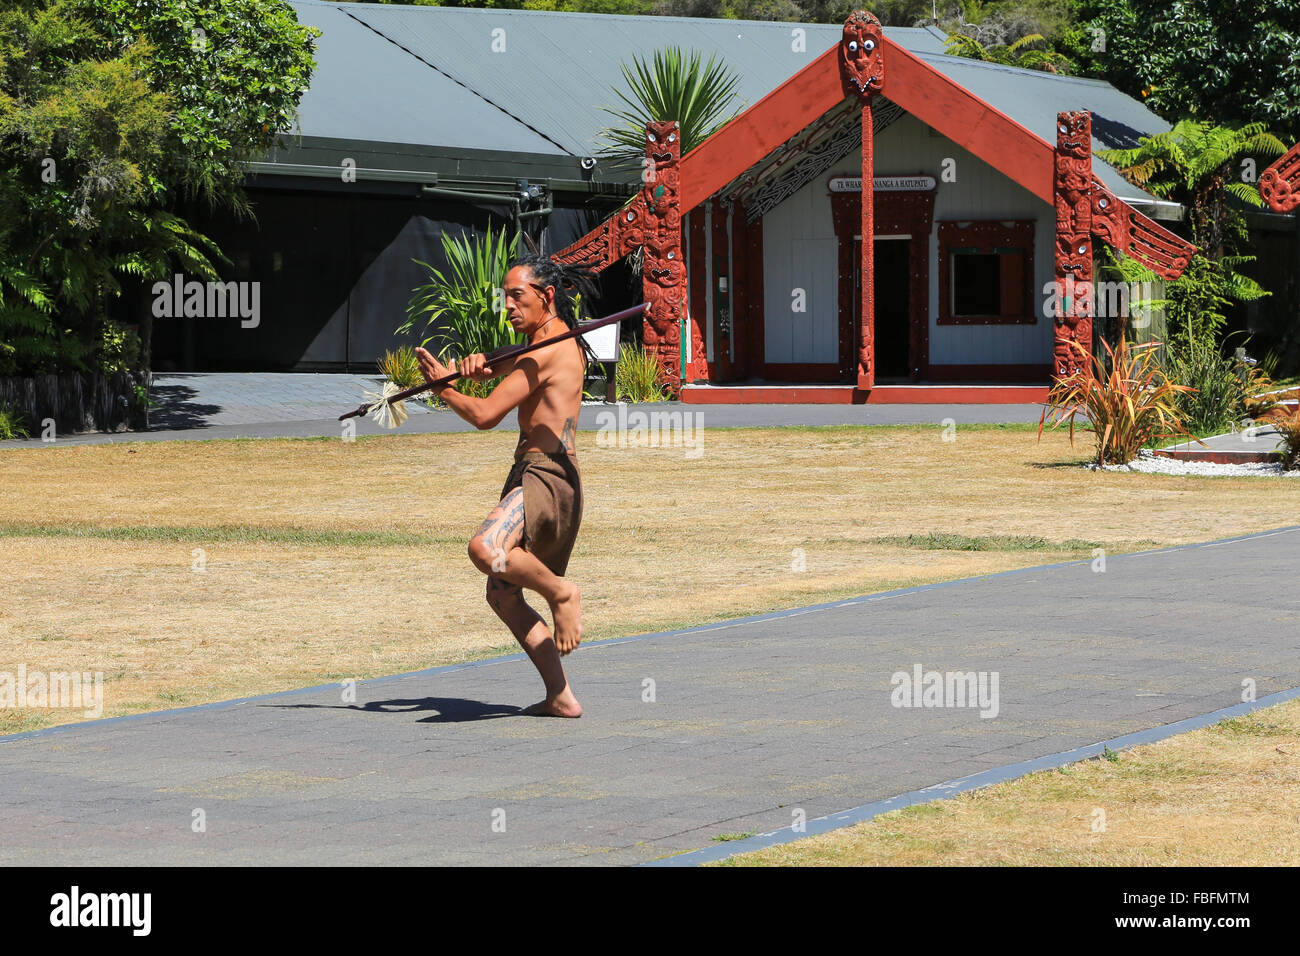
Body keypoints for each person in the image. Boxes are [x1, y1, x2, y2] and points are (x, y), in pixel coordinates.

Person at [414, 255, 601, 718]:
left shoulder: (546, 350)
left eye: (518, 295)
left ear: (547, 295)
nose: (509, 306)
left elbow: (484, 415)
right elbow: (505, 371)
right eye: (506, 298)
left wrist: (444, 389)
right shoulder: (549, 344)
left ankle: (560, 592)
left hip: (548, 474)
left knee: (485, 547)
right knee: (501, 592)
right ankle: (560, 695)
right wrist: (476, 369)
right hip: (539, 473)